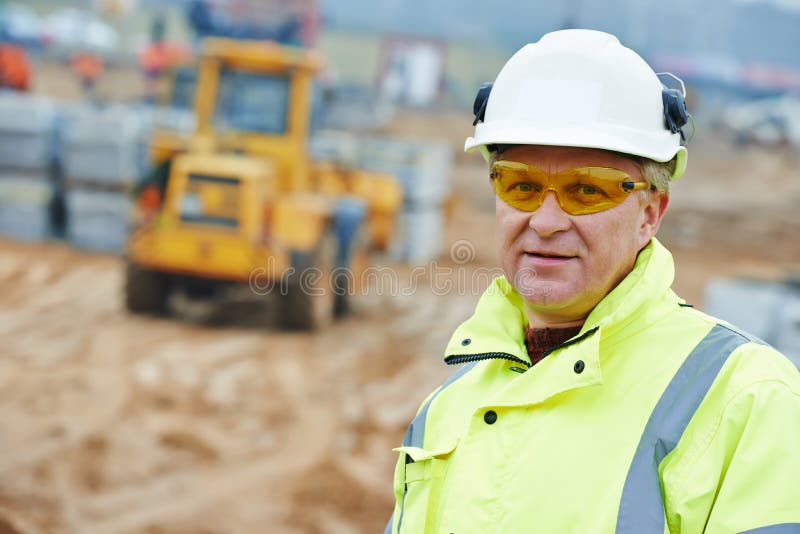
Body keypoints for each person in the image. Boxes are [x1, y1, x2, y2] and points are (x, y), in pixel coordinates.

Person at [385, 29, 800, 534]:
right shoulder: (446, 413)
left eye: (586, 190)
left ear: (651, 211)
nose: (545, 221)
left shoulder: (746, 401)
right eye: (522, 185)